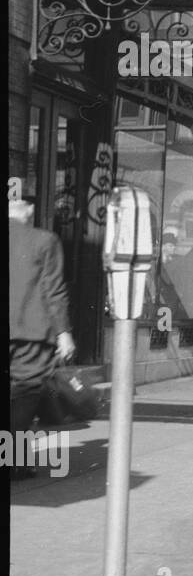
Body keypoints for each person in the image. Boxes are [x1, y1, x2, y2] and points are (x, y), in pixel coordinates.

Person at [8, 198, 75, 470]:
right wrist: (64, 333)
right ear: (27, 212)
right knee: (24, 395)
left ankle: (17, 461)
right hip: (29, 333)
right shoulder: (44, 240)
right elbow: (54, 290)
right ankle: (13, 462)